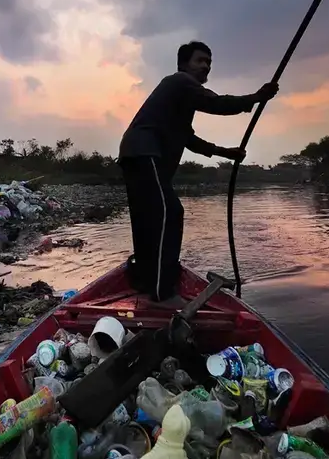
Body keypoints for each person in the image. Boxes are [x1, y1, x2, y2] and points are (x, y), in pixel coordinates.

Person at [118, 41, 279, 305]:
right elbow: (216, 103)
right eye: (200, 61)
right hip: (144, 152)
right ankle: (162, 293)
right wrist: (256, 97)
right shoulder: (180, 82)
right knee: (169, 213)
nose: (205, 67)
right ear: (184, 64)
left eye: (209, 64)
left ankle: (146, 281)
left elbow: (188, 138)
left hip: (135, 154)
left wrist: (226, 153)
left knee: (148, 219)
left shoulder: (181, 99)